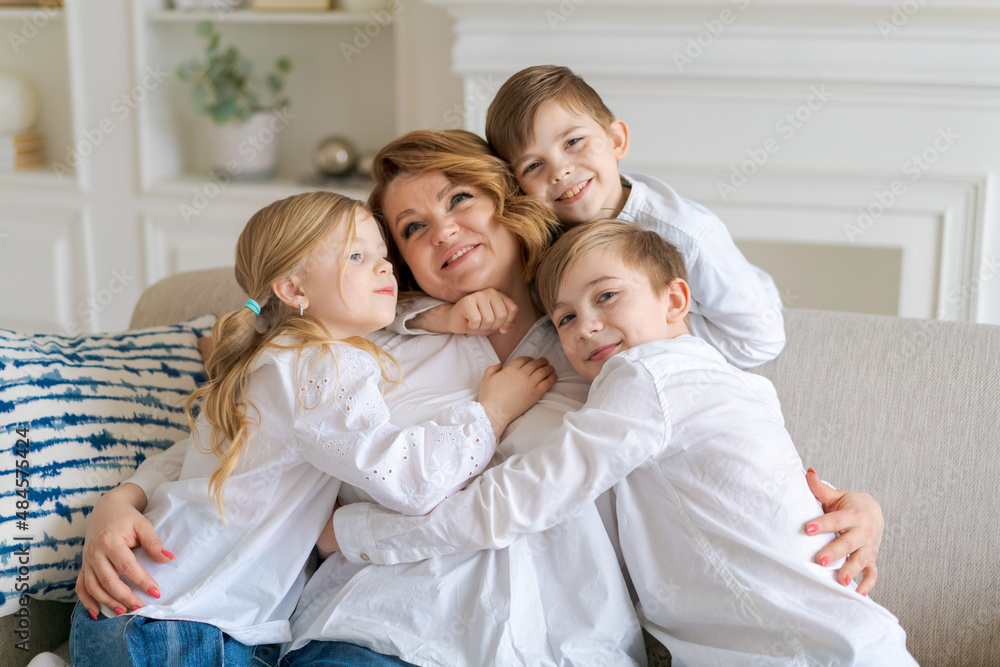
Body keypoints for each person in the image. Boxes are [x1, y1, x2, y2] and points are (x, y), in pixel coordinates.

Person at [76, 130, 885, 666]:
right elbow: (246, 437)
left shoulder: (610, 339)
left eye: (459, 199)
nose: (443, 232)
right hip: (379, 630)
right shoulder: (367, 344)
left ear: (508, 201)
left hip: (560, 642)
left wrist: (853, 508)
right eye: (411, 228)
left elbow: (723, 432)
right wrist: (125, 498)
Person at [326, 220, 915, 665]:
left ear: (675, 300)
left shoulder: (647, 377)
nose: (585, 326)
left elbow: (518, 499)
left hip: (810, 650)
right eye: (564, 318)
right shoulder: (719, 383)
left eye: (606, 297)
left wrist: (353, 535)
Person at [69, 191, 556, 666]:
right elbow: (408, 480)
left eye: (383, 255)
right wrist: (490, 413)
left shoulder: (271, 359)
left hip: (148, 609)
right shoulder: (324, 365)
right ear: (294, 290)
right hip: (183, 621)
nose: (384, 268)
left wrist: (126, 494)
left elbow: (191, 454)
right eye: (358, 256)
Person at [416, 64, 784, 370]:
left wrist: (651, 340)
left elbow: (761, 339)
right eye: (534, 165)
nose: (560, 171)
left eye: (573, 142)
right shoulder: (540, 233)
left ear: (616, 140)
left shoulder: (688, 234)